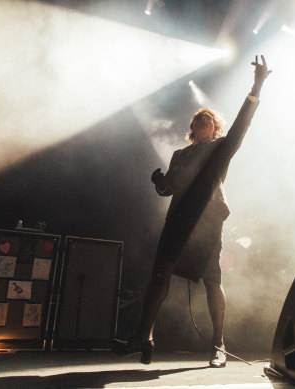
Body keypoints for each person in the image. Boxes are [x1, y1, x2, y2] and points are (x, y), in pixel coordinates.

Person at [113, 55, 271, 367]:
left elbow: (242, 124)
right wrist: (159, 181)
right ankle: (143, 337)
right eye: (199, 120)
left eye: (208, 120)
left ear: (215, 129)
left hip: (207, 219)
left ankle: (219, 345)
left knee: (212, 281)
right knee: (160, 273)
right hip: (179, 218)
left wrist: (257, 85)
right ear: (192, 128)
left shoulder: (221, 148)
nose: (203, 122)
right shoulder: (179, 154)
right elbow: (168, 189)